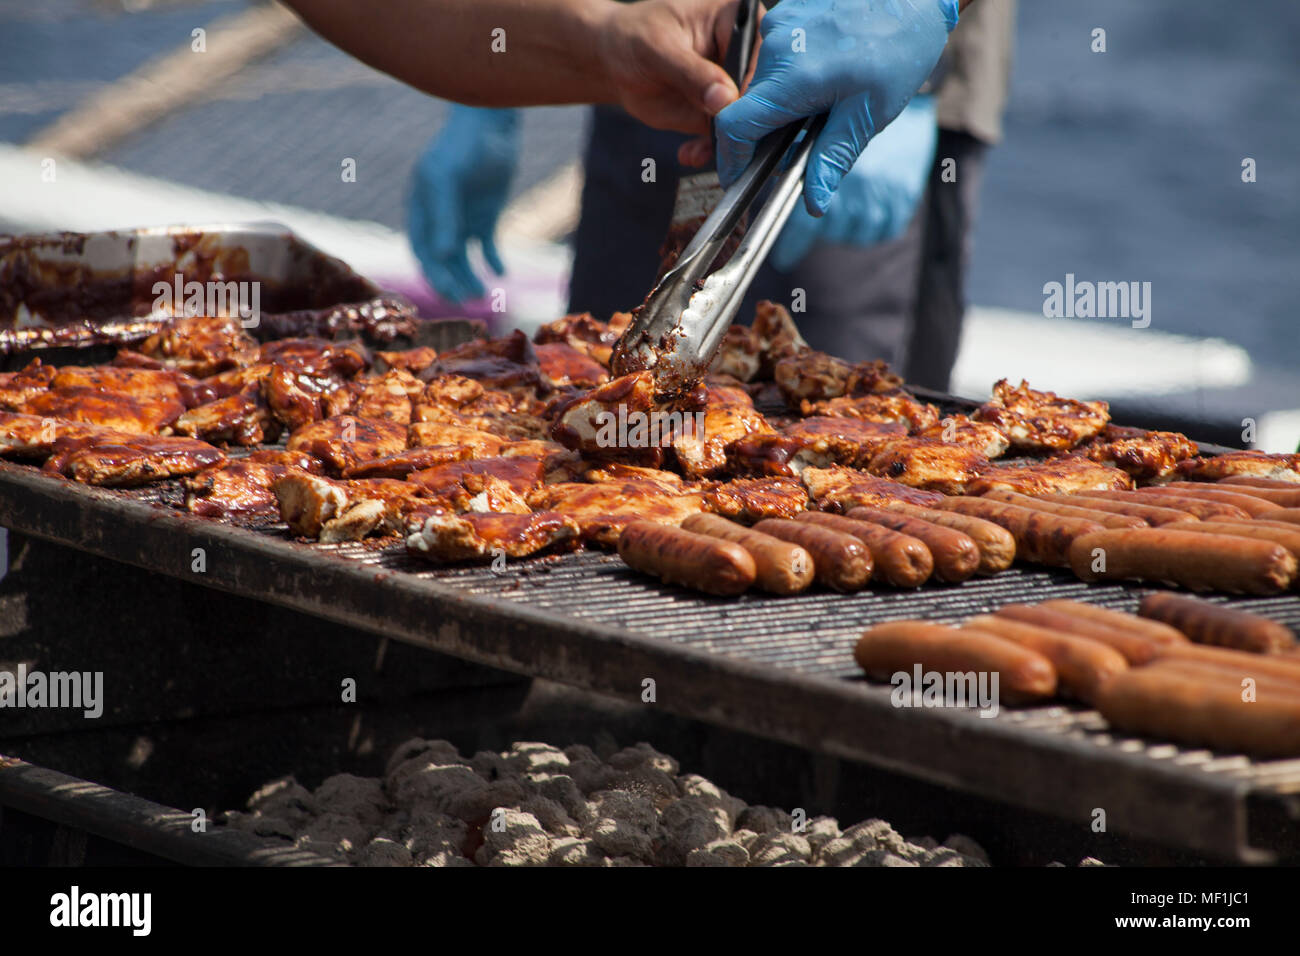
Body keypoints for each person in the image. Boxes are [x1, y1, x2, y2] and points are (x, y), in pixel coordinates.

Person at [290, 0, 979, 379]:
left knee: (833, 402)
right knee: (594, 378)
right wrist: (502, 91)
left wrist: (935, 65)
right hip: (659, 55)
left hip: (863, 86)